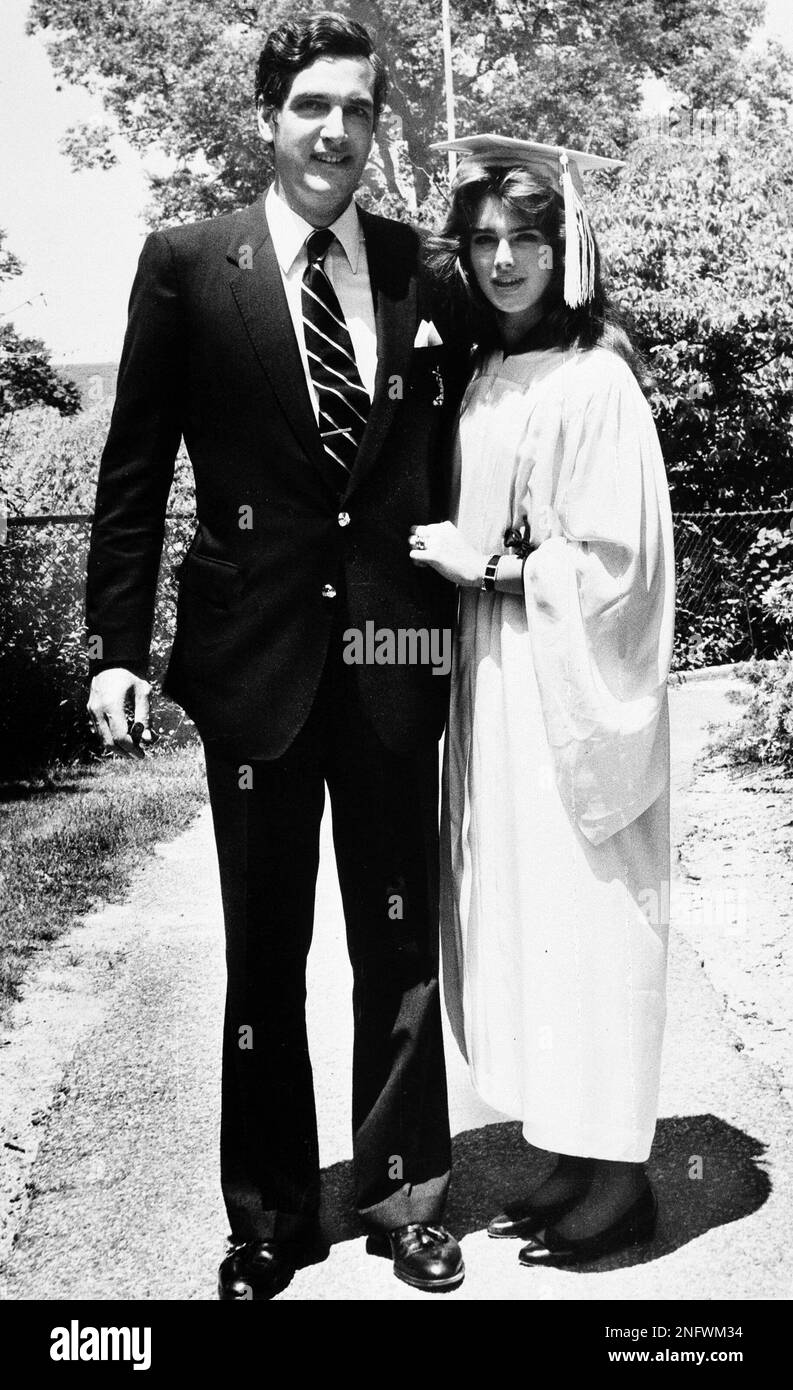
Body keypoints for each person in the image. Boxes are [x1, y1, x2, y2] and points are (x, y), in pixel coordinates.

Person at [85, 12, 465, 1299]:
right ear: (267, 115)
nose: (336, 131)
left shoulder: (426, 268)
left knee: (398, 942)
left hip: (395, 650)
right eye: (312, 105)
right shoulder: (190, 265)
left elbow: (500, 412)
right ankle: (267, 1218)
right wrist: (114, 648)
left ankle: (406, 1197)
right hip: (252, 663)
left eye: (357, 109)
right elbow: (133, 472)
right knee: (263, 950)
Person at [410, 135, 675, 1266]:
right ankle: (569, 1147)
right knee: (524, 911)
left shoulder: (595, 376)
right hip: (498, 682)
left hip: (570, 688)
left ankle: (622, 1177)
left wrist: (493, 569)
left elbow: (620, 562)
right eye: (484, 241)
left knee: (584, 904)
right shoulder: (487, 368)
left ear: (565, 249)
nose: (505, 260)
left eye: (528, 238)